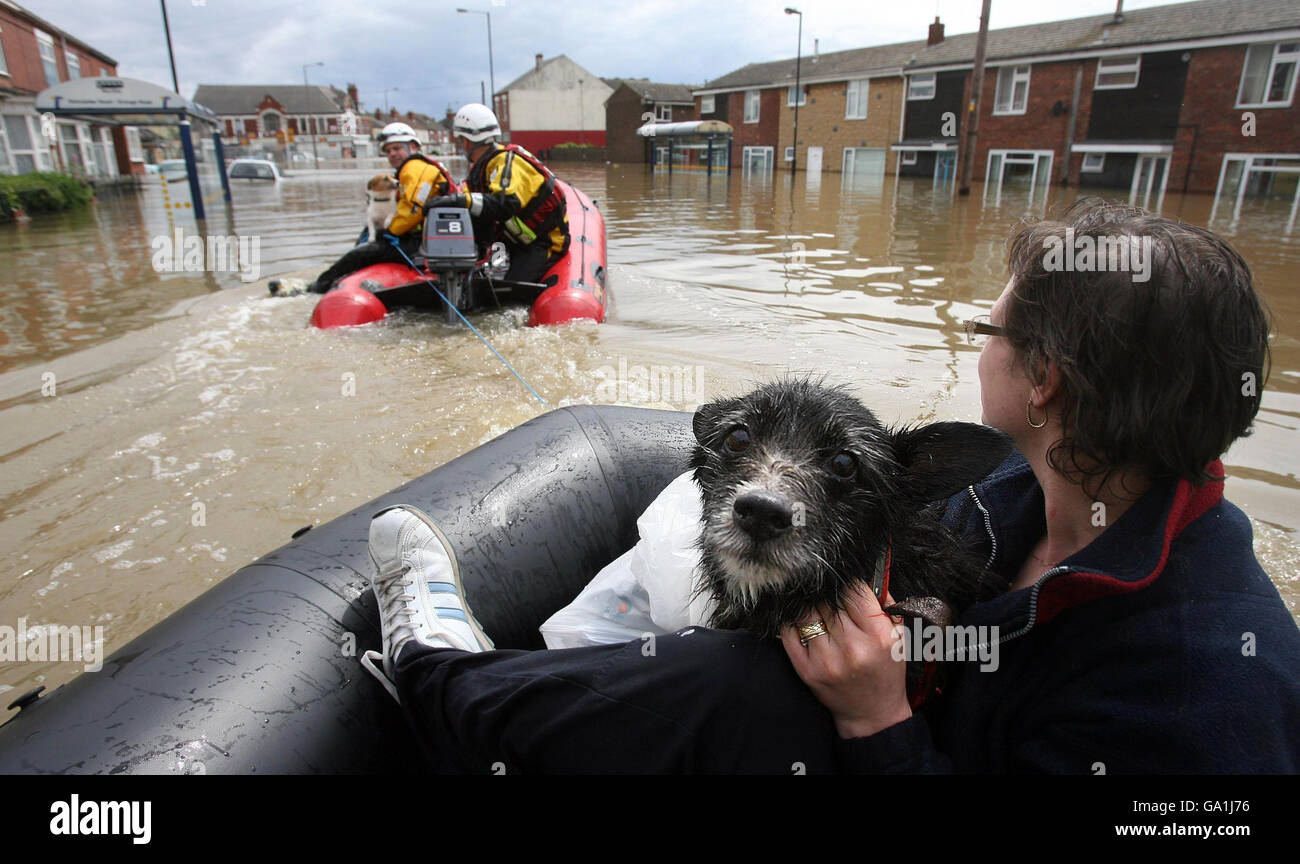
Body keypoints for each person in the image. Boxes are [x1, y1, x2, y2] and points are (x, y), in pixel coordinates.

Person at [359, 199, 1300, 773]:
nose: (979, 347)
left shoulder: (1210, 690)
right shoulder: (1027, 497)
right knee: (745, 663)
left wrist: (880, 721)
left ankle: (437, 676)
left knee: (737, 685)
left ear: (1044, 380)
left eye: (991, 329)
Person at [422, 103, 569, 302]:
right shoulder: (483, 168)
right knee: (488, 280)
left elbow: (505, 204)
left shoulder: (506, 162)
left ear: (466, 141)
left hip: (541, 243)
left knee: (508, 296)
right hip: (507, 241)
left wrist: (460, 200)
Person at [303, 121, 457, 293]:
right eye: (388, 151)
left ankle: (318, 288)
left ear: (413, 146)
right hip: (425, 240)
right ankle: (342, 281)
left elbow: (413, 210)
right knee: (367, 237)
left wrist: (390, 231)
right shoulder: (414, 169)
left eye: (397, 148)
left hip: (418, 245)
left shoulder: (414, 169)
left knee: (361, 253)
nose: (392, 154)